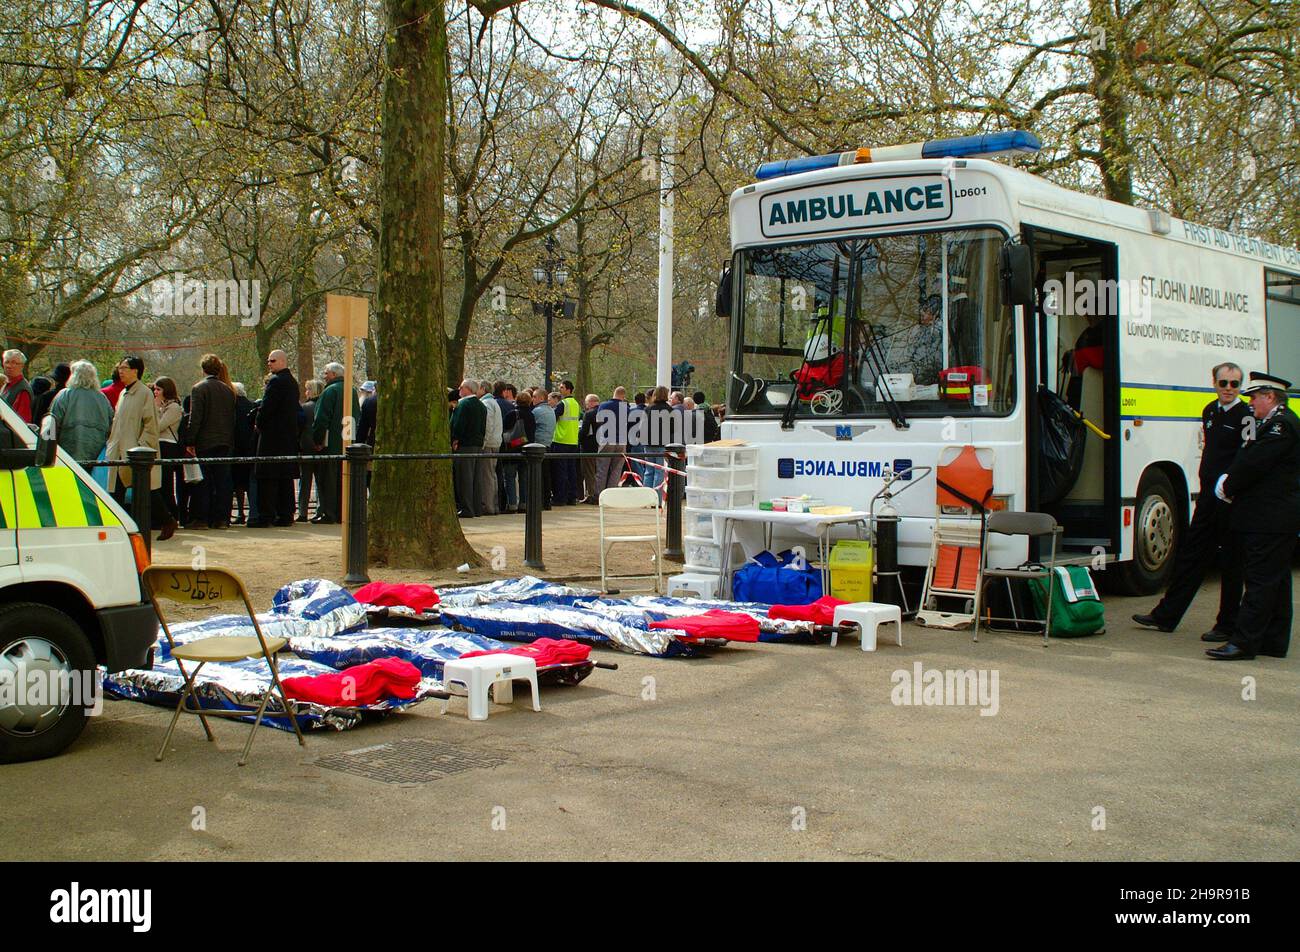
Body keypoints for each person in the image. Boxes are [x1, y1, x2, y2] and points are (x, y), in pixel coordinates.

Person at [1133, 363, 1249, 640]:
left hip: (1231, 498)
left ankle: (1227, 624)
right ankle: (1166, 615)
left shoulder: (1247, 417)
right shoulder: (1210, 410)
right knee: (1191, 556)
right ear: (1214, 383)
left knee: (1232, 563)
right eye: (1224, 383)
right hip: (1209, 496)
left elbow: (1246, 458)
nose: (1229, 389)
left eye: (1234, 384)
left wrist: (1232, 487)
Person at [1205, 372, 1298, 661]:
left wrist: (1227, 486)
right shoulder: (1272, 422)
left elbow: (1254, 463)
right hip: (1271, 517)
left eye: (1254, 397)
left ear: (1270, 397)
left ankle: (1244, 642)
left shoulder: (1280, 426)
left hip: (1270, 518)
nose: (1251, 403)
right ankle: (1273, 640)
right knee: (1277, 579)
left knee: (1259, 580)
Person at [105, 356, 177, 541]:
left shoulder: (144, 393)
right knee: (116, 492)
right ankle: (120, 530)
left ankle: (167, 520)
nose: (120, 371)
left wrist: (141, 449)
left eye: (125, 367)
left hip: (134, 454)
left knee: (147, 491)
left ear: (136, 371)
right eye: (119, 367)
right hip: (119, 452)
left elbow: (150, 426)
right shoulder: (123, 393)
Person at [185, 353, 237, 530]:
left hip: (205, 441)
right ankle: (221, 518)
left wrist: (190, 440)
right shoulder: (228, 390)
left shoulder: (199, 389)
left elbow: (195, 417)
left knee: (204, 481)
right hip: (225, 440)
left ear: (203, 369)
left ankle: (201, 518)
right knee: (222, 481)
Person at [249, 350, 300, 527]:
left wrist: (258, 424)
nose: (269, 363)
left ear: (282, 361)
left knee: (267, 477)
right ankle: (285, 514)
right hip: (287, 437)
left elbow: (267, 408)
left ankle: (266, 515)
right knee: (285, 478)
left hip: (272, 438)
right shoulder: (292, 382)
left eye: (272, 360)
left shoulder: (276, 382)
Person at [311, 362, 356, 524]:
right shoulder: (352, 391)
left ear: (334, 375)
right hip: (347, 442)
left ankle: (328, 513)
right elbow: (353, 418)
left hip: (329, 445)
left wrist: (317, 440)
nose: (324, 376)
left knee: (328, 481)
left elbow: (321, 420)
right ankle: (342, 512)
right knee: (343, 480)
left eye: (326, 373)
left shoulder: (329, 391)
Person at [50, 360, 113, 464]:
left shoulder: (65, 395)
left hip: (68, 449)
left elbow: (53, 422)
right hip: (96, 450)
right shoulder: (102, 398)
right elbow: (111, 422)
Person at [450, 378, 486, 518]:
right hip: (477, 444)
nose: (459, 390)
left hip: (464, 444)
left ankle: (466, 508)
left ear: (467, 389)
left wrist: (455, 439)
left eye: (461, 387)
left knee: (464, 477)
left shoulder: (463, 404)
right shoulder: (481, 406)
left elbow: (457, 424)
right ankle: (477, 507)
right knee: (476, 478)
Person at [152, 376, 185, 526]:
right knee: (159, 482)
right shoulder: (161, 405)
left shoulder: (174, 407)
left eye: (158, 389)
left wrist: (156, 408)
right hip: (158, 444)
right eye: (155, 389)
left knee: (166, 482)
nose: (155, 392)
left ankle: (172, 514)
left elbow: (159, 426)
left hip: (168, 445)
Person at [593, 386, 629, 496]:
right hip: (621, 441)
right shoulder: (626, 408)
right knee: (616, 469)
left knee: (602, 468)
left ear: (614, 393)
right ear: (623, 396)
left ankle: (599, 495)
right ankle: (611, 494)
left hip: (607, 439)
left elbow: (598, 421)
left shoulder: (603, 405)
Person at [550, 380, 581, 505]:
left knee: (560, 472)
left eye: (562, 387)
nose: (560, 390)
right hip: (573, 440)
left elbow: (553, 417)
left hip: (561, 440)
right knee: (572, 471)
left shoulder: (563, 404)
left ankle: (560, 498)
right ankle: (572, 496)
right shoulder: (576, 404)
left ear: (568, 389)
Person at [230, 382, 257, 524]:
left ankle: (240, 512)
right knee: (250, 482)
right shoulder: (251, 405)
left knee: (238, 483)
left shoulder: (232, 407)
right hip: (250, 448)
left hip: (236, 448)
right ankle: (253, 512)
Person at [298, 378, 323, 521]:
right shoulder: (323, 406)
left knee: (305, 480)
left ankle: (302, 512)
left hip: (306, 447)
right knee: (321, 481)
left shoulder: (305, 407)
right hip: (320, 448)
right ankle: (320, 510)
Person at [477, 380, 501, 515]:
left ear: (483, 389)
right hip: (495, 442)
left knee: (487, 475)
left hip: (489, 443)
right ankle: (493, 504)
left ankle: (488, 505)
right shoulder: (494, 403)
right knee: (491, 475)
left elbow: (488, 425)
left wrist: (483, 442)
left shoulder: (486, 404)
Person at [531, 387, 556, 509]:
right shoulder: (551, 410)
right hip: (548, 444)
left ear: (541, 398)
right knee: (546, 474)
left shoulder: (537, 411)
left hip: (537, 446)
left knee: (538, 475)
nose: (532, 399)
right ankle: (546, 501)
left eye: (535, 396)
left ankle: (539, 501)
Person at [577, 393, 601, 503]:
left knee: (589, 472)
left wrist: (578, 439)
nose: (586, 405)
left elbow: (584, 431)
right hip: (601, 445)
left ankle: (591, 495)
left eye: (587, 403)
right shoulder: (604, 413)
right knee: (598, 471)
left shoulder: (589, 414)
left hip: (589, 446)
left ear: (590, 402)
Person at [1, 349, 33, 424]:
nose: (9, 366)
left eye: (14, 363)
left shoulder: (22, 390)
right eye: (7, 362)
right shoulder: (5, 384)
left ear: (22, 366)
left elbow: (21, 422)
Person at [357, 380, 377, 447]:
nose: (363, 394)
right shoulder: (367, 402)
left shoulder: (368, 402)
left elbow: (362, 429)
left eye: (366, 392)